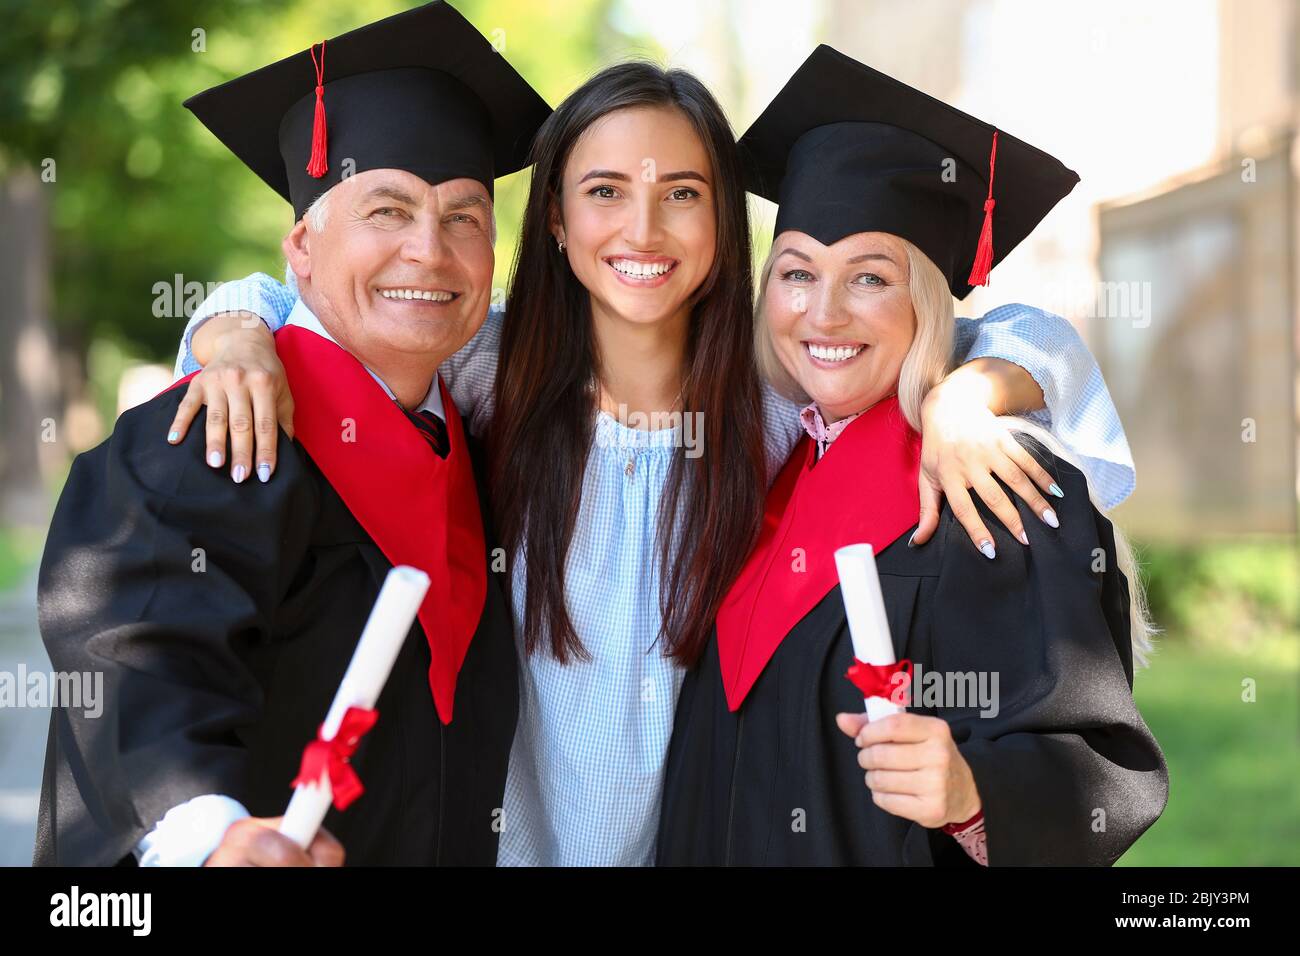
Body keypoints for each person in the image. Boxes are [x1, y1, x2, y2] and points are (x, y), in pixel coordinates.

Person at [159, 59, 1137, 866]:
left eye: (682, 195)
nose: (641, 230)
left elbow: (993, 332)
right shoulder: (484, 372)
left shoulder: (782, 405)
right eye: (603, 193)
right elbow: (323, 298)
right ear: (554, 220)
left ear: (721, 230)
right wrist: (232, 330)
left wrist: (975, 390)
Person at [33, 1, 549, 867]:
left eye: (465, 216)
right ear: (300, 249)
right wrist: (212, 831)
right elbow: (136, 658)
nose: (431, 249)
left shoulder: (483, 441)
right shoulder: (214, 431)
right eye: (387, 210)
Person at [656, 46, 1168, 866]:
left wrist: (971, 796)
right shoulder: (765, 473)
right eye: (796, 272)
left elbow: (1087, 762)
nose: (822, 313)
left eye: (868, 278)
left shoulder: (994, 484)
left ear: (927, 300)